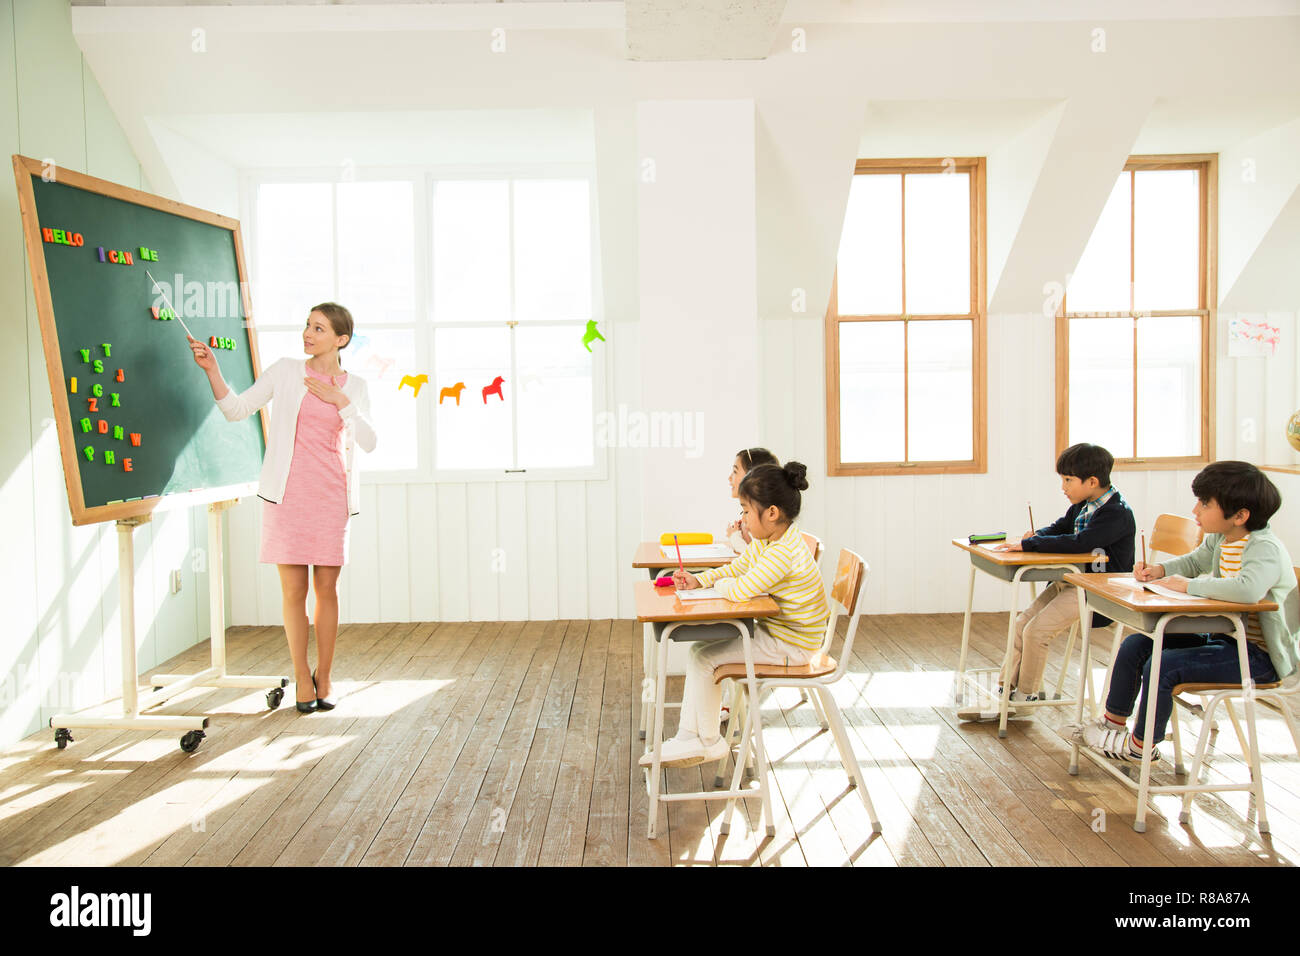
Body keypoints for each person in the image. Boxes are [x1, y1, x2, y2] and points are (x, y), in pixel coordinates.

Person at [190, 302, 376, 713]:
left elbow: (369, 440)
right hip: (285, 497)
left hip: (331, 499)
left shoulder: (356, 386)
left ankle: (325, 676)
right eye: (307, 326)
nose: (308, 334)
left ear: (341, 339)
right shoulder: (286, 371)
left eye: (319, 328)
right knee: (294, 591)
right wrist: (213, 371)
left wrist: (341, 400)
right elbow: (237, 410)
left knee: (327, 590)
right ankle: (301, 678)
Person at [1075, 461, 1299, 762]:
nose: (1196, 511)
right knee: (1137, 644)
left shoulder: (1264, 548)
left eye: (1205, 504)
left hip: (1258, 659)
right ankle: (1112, 725)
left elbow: (1248, 590)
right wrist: (1160, 570)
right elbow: (1194, 562)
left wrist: (1189, 587)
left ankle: (1141, 747)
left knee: (1164, 664)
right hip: (1227, 641)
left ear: (1240, 515)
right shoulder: (1222, 538)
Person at [640, 461, 829, 768]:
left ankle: (709, 742)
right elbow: (738, 567)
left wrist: (722, 583)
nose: (741, 518)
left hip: (792, 648)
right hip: (780, 636)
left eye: (745, 510)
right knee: (700, 650)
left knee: (704, 657)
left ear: (771, 513)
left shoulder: (782, 553)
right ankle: (689, 736)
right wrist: (700, 579)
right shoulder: (772, 540)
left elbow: (741, 589)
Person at [959, 442, 1135, 721]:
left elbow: (1081, 542)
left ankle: (1026, 694)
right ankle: (1005, 691)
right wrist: (1032, 538)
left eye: (1068, 480)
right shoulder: (1082, 505)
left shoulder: (1117, 513)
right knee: (1021, 624)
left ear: (1092, 481)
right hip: (1074, 581)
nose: (1063, 487)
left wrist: (1033, 544)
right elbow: (1060, 529)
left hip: (1100, 591)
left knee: (1036, 631)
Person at [724, 448, 779, 553]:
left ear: (753, 475)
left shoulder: (764, 517)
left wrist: (735, 537)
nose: (729, 478)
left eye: (735, 471)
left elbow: (755, 558)